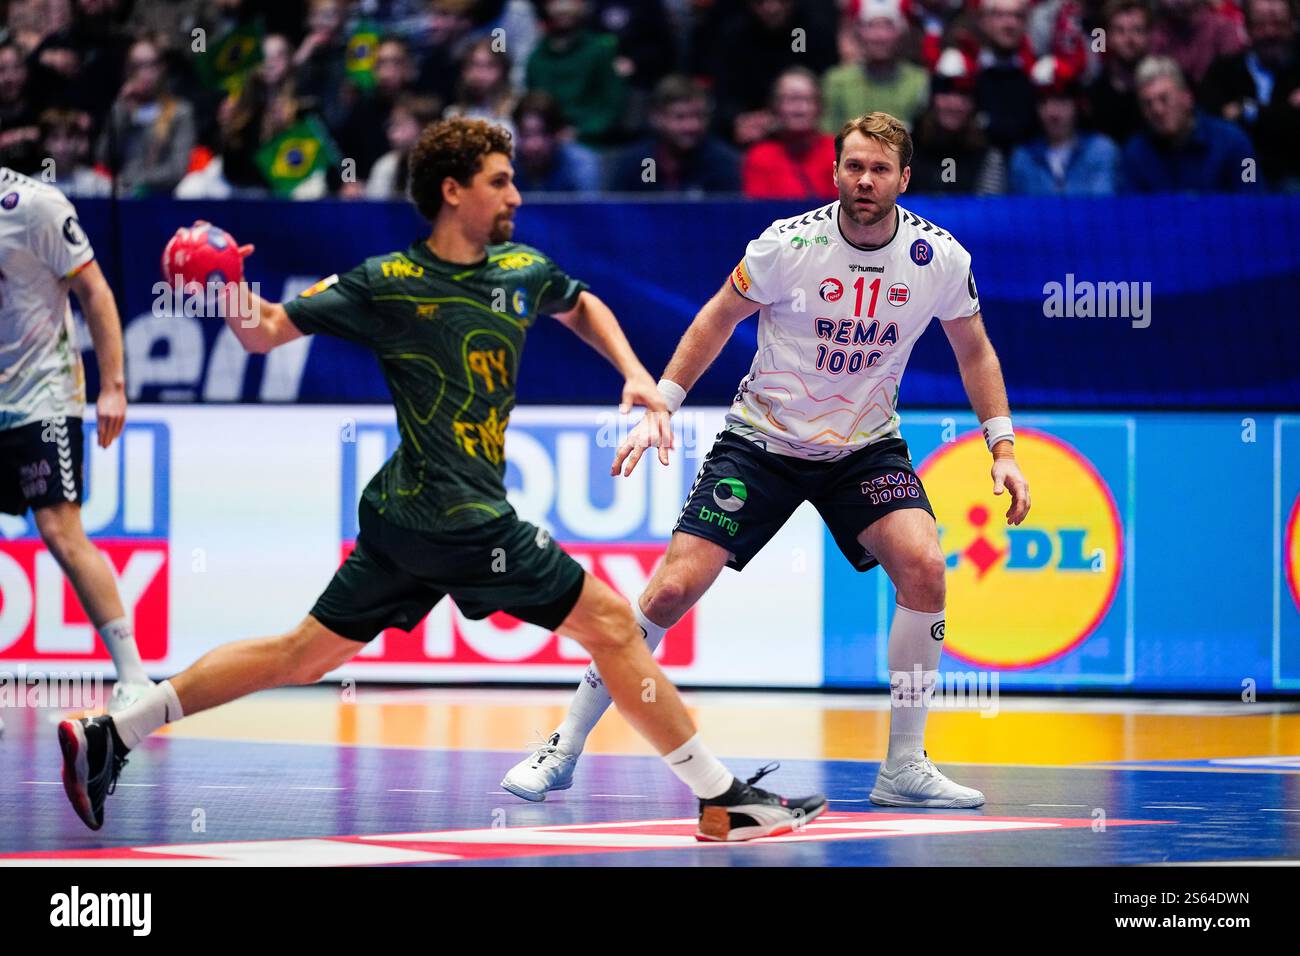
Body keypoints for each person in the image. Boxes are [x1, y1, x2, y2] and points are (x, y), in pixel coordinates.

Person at [57, 118, 826, 841]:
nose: (516, 196)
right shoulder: (385, 282)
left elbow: (582, 303)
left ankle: (112, 732)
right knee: (615, 627)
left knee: (302, 654)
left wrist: (634, 376)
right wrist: (224, 284)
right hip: (460, 518)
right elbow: (264, 333)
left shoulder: (522, 270)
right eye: (499, 181)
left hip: (402, 520)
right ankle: (722, 800)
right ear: (453, 190)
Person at [502, 111, 1031, 809]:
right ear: (835, 170)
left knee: (926, 566)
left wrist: (1002, 447)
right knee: (667, 592)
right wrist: (662, 401)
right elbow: (718, 316)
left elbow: (975, 351)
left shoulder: (940, 260)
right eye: (852, 166)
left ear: (904, 178)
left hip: (863, 447)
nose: (863, 180)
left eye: (878, 169)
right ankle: (561, 748)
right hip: (762, 441)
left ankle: (904, 766)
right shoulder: (789, 244)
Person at [0, 166, 153, 735]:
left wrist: (113, 385)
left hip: (42, 396)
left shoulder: (33, 204)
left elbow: (94, 290)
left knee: (60, 530)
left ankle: (134, 677)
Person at [1122, 55, 1254, 192]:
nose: (1157, 110)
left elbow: (1254, 202)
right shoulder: (1135, 153)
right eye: (1147, 104)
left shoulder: (1235, 142)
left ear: (1187, 98)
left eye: (1164, 99)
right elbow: (1132, 211)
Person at [742, 67, 838, 199]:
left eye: (807, 99)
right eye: (790, 99)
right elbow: (758, 213)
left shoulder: (838, 151)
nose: (799, 109)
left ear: (819, 106)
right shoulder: (760, 157)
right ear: (775, 106)